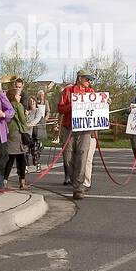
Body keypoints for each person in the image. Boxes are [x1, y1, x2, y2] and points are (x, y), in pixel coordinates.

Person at [58, 71, 97, 199]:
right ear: (80, 78)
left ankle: (78, 187)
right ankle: (75, 180)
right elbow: (60, 108)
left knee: (82, 156)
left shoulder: (91, 93)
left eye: (90, 80)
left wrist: (105, 103)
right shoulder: (68, 91)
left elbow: (97, 109)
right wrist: (72, 106)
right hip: (68, 128)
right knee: (68, 157)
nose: (89, 82)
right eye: (87, 79)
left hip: (85, 130)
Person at [0, 82, 31, 189]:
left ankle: (4, 181)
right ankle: (22, 182)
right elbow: (22, 120)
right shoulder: (18, 105)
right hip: (18, 133)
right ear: (14, 96)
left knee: (10, 158)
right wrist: (26, 114)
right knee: (21, 158)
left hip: (9, 133)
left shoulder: (5, 106)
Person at [28, 91, 48, 170]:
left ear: (36, 102)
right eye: (30, 101)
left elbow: (36, 119)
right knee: (26, 152)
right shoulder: (27, 112)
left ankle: (37, 164)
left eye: (33, 101)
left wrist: (29, 124)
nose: (32, 103)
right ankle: (26, 166)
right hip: (28, 134)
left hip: (36, 134)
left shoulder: (38, 111)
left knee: (35, 151)